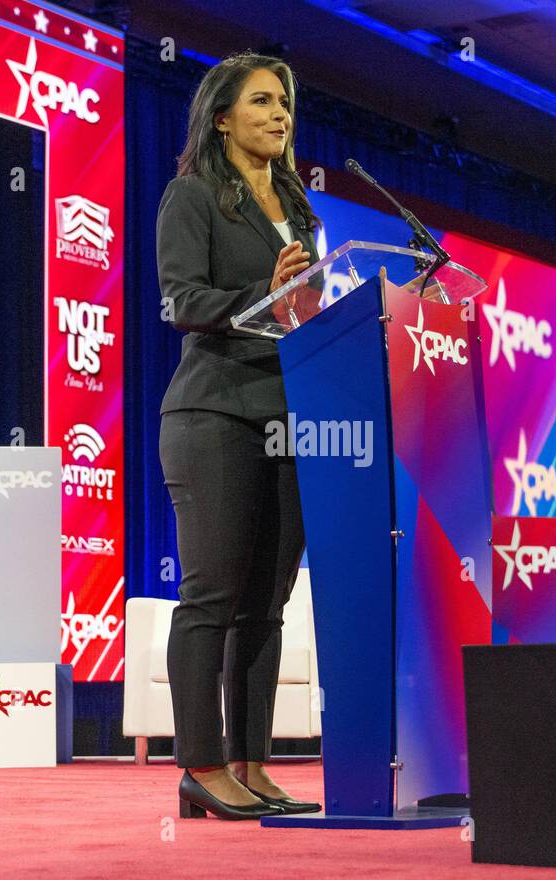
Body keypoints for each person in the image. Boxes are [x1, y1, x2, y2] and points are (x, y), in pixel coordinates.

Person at [155, 52, 324, 820]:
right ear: (223, 115)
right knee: (212, 597)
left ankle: (252, 762)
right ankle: (199, 765)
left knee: (267, 604)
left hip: (290, 418)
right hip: (215, 413)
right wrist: (268, 289)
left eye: (284, 101)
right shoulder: (193, 196)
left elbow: (305, 310)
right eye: (262, 100)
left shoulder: (298, 207)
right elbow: (183, 300)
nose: (279, 112)